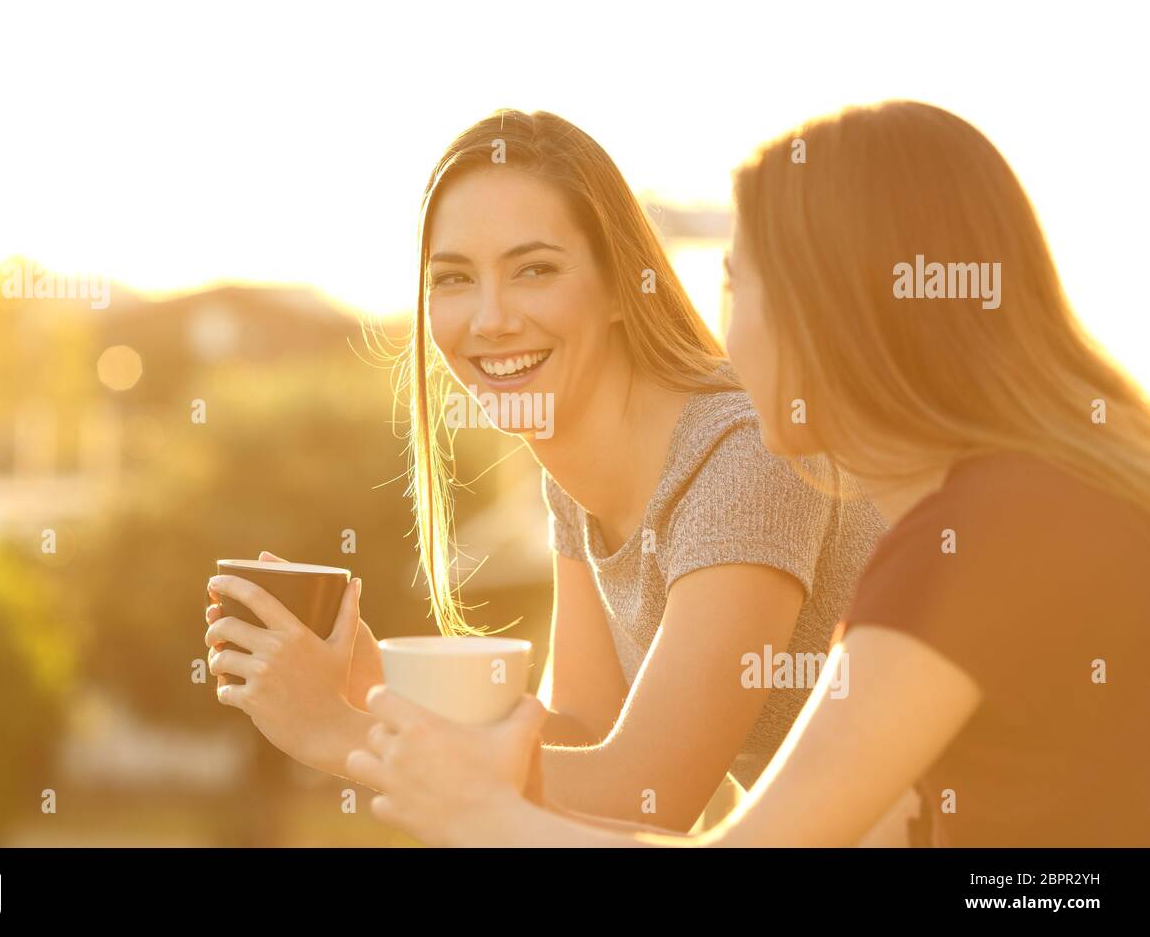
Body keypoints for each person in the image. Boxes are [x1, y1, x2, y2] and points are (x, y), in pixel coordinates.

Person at [345, 101, 1150, 847]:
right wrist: (377, 696)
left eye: (737, 282)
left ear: (838, 310)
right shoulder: (1018, 510)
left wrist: (470, 802)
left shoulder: (969, 543)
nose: (721, 332)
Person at [204, 109, 887, 834]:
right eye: (455, 279)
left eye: (535, 270)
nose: (490, 318)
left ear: (625, 286)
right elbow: (590, 734)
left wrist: (338, 734)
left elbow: (650, 792)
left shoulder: (745, 457)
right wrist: (374, 694)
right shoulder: (571, 476)